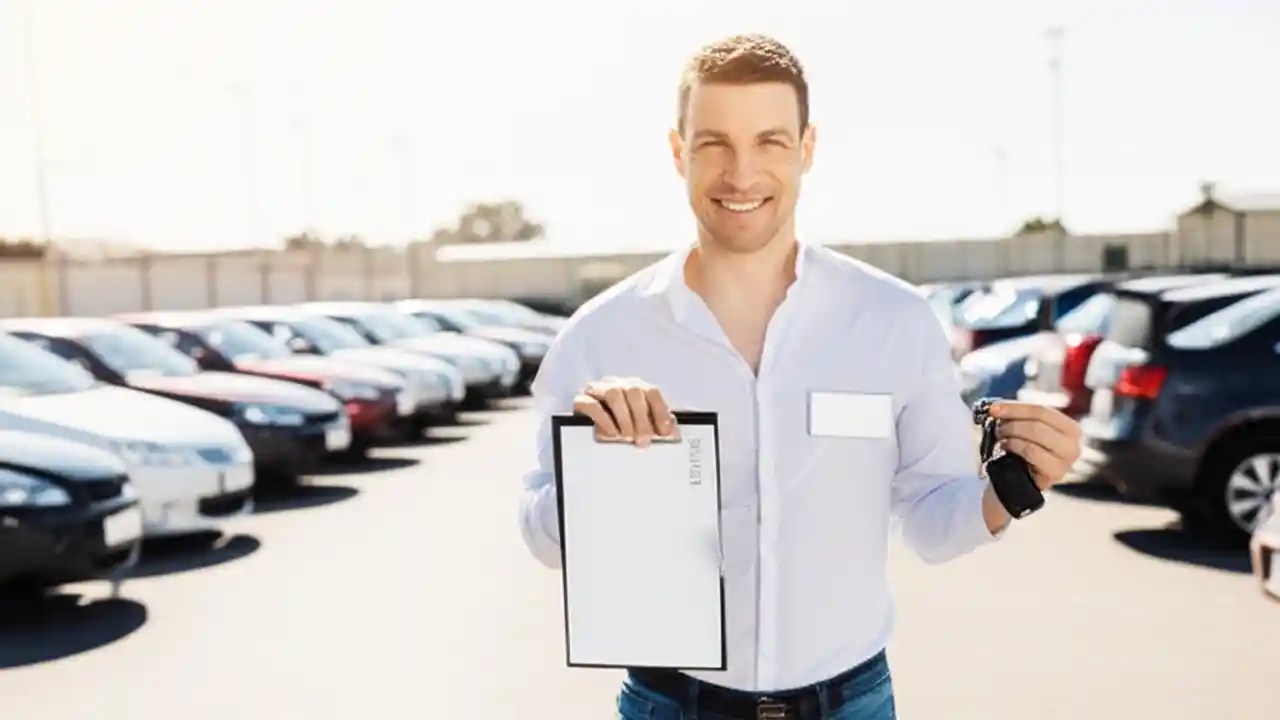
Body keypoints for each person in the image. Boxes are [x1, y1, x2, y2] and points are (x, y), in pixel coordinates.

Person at [518, 33, 1082, 720]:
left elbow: (933, 523)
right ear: (678, 153)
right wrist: (599, 467)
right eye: (714, 143)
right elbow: (543, 544)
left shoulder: (894, 321)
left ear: (807, 149)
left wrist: (1015, 485)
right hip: (670, 703)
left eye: (770, 142)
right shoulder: (602, 335)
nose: (741, 173)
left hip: (850, 702)